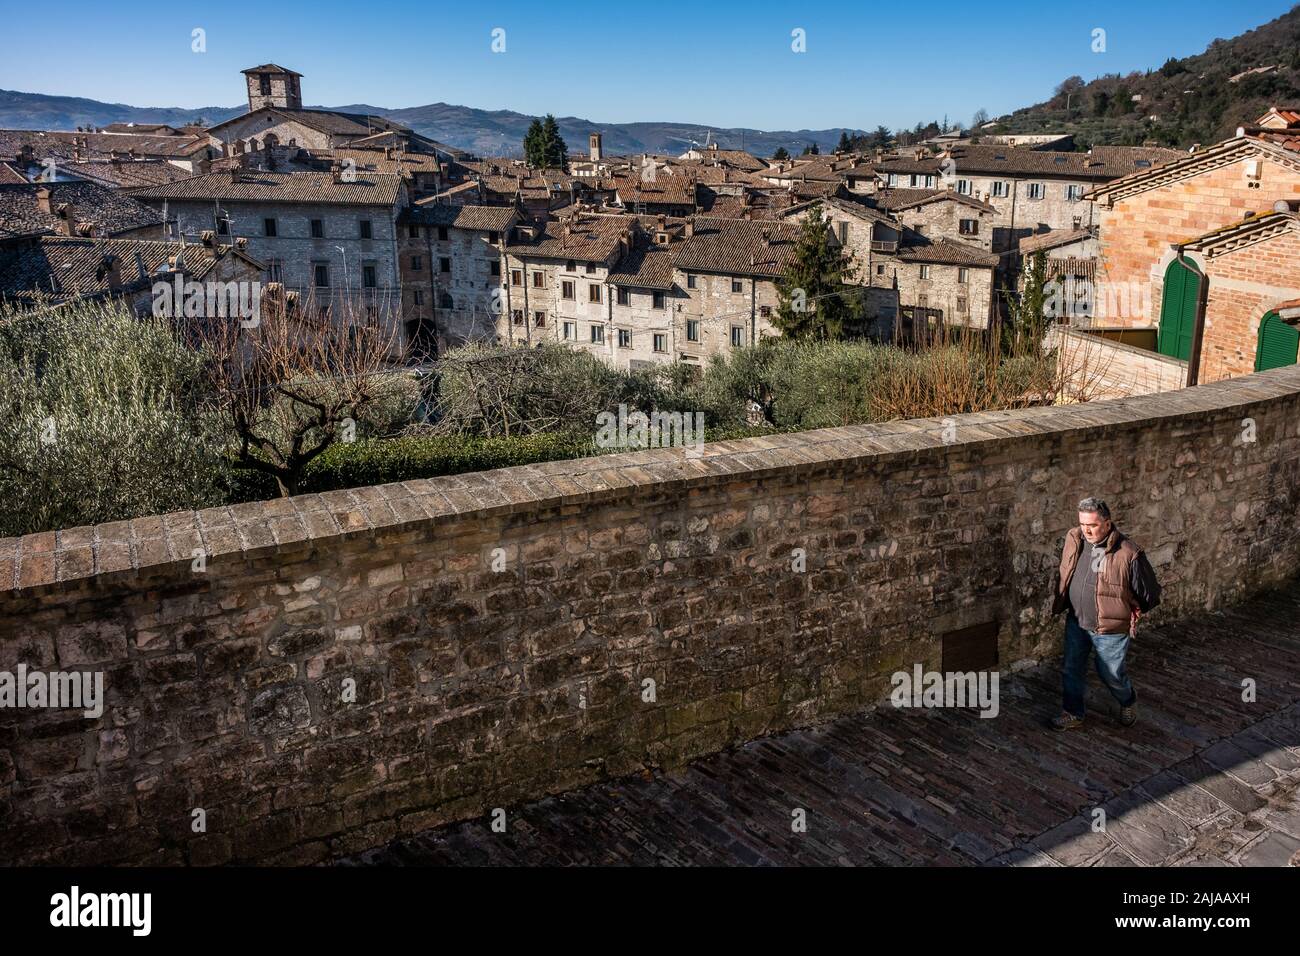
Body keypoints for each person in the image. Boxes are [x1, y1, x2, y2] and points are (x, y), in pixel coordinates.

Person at [1050, 497, 1161, 730]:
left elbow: (1150, 593)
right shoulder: (1074, 538)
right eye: (1083, 524)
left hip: (1109, 629)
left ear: (1107, 524)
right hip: (1077, 620)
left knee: (1111, 674)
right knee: (1071, 668)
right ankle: (1073, 713)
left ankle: (1127, 699)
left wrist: (1131, 606)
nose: (1087, 530)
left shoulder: (1129, 553)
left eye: (1092, 525)